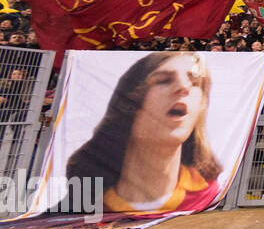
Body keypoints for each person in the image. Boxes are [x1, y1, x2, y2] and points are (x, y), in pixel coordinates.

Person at [66, 52, 223, 214]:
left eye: (195, 82)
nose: (184, 87)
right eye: (163, 80)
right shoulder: (81, 204)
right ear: (129, 104)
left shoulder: (208, 194)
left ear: (202, 105)